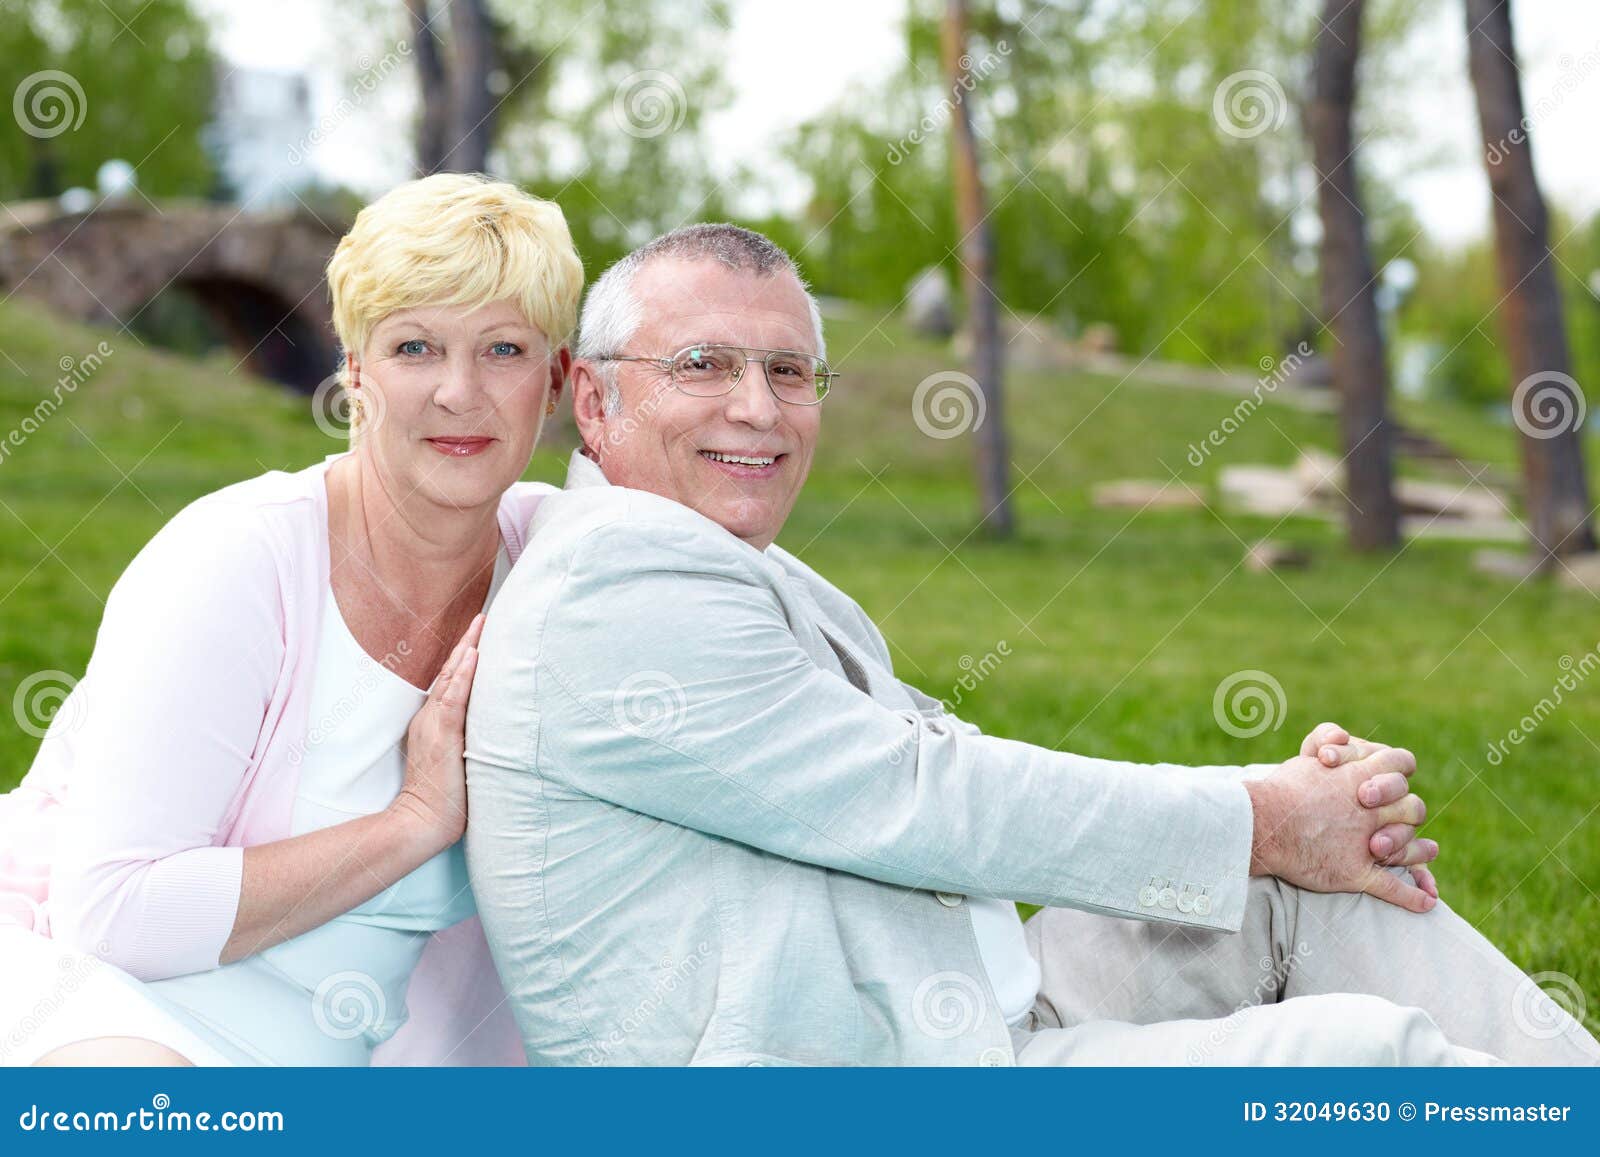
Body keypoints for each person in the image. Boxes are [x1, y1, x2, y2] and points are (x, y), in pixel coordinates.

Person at [462, 223, 1600, 1067]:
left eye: (790, 371)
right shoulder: (616, 581)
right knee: (1372, 1062)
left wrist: (1285, 817)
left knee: (1292, 894)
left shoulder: (718, 555)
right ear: (592, 400)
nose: (758, 408)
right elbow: (924, 796)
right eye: (703, 365)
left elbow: (931, 758)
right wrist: (1260, 811)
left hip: (968, 1001)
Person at [0, 172, 582, 1066]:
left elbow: (722, 558)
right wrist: (413, 820)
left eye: (503, 350)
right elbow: (111, 911)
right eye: (415, 347)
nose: (460, 392)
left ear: (555, 383)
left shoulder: (559, 565)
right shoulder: (241, 559)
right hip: (90, 1005)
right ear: (353, 372)